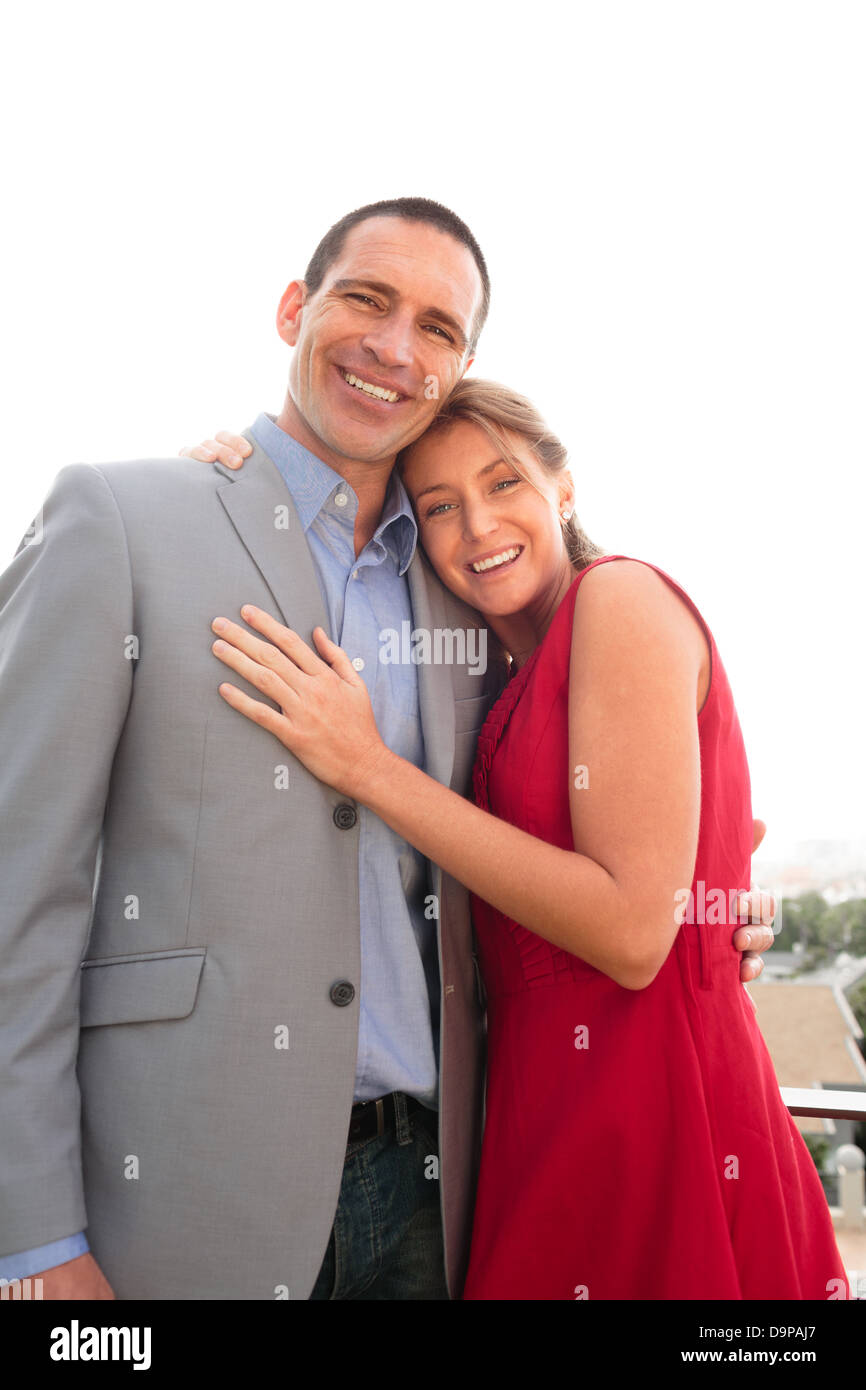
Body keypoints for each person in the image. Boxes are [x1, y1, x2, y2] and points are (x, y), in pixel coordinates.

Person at [0, 198, 774, 1302]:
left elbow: (599, 796)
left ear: (454, 372)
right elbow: (15, 878)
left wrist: (716, 903)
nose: (393, 346)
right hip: (178, 1200)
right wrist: (29, 1239)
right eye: (365, 298)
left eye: (437, 328)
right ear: (291, 311)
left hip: (444, 1191)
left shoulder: (465, 587)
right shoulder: (125, 517)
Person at [198, 377, 847, 1299]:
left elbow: (629, 935)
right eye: (440, 507)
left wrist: (369, 766)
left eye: (504, 484)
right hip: (532, 1116)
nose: (478, 527)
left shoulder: (618, 597)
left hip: (656, 1113)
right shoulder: (497, 674)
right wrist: (225, 474)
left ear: (563, 489)